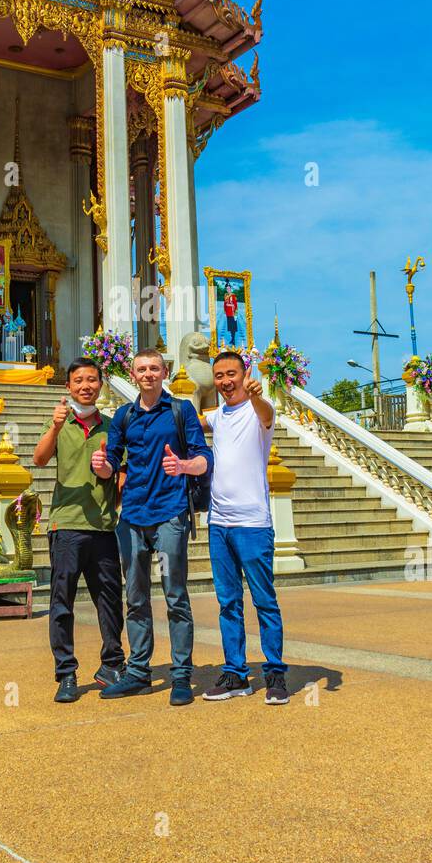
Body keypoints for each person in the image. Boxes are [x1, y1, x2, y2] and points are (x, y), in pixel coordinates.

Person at [91, 348, 212, 707]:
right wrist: (103, 466)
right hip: (132, 514)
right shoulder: (124, 416)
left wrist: (186, 467)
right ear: (133, 374)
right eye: (142, 369)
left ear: (164, 372)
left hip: (171, 512)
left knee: (176, 595)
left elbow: (204, 455)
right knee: (136, 597)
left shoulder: (180, 410)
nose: (148, 374)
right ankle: (139, 672)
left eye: (154, 369)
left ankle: (180, 676)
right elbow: (113, 460)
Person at [33, 358, 126, 703]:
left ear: (101, 385)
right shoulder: (59, 420)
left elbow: (122, 472)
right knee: (62, 602)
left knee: (110, 600)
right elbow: (39, 459)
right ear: (68, 387)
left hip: (102, 526)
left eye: (91, 380)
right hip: (66, 524)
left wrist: (110, 480)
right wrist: (56, 428)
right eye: (78, 381)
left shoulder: (113, 426)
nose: (85, 386)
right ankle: (66, 673)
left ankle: (112, 665)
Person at [201, 350, 289, 705]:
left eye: (231, 374)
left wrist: (257, 396)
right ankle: (236, 673)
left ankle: (275, 673)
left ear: (244, 373)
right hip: (219, 523)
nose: (225, 381)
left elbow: (268, 414)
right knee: (228, 602)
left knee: (264, 600)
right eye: (219, 375)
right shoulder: (217, 416)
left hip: (252, 524)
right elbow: (184, 420)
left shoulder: (259, 412)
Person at [223, 282, 239, 346]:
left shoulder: (233, 295)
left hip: (233, 313)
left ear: (230, 289)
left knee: (233, 328)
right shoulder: (226, 295)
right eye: (227, 288)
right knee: (230, 327)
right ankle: (232, 339)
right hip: (228, 313)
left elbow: (235, 304)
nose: (228, 289)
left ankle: (233, 339)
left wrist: (235, 313)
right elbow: (225, 304)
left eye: (229, 288)